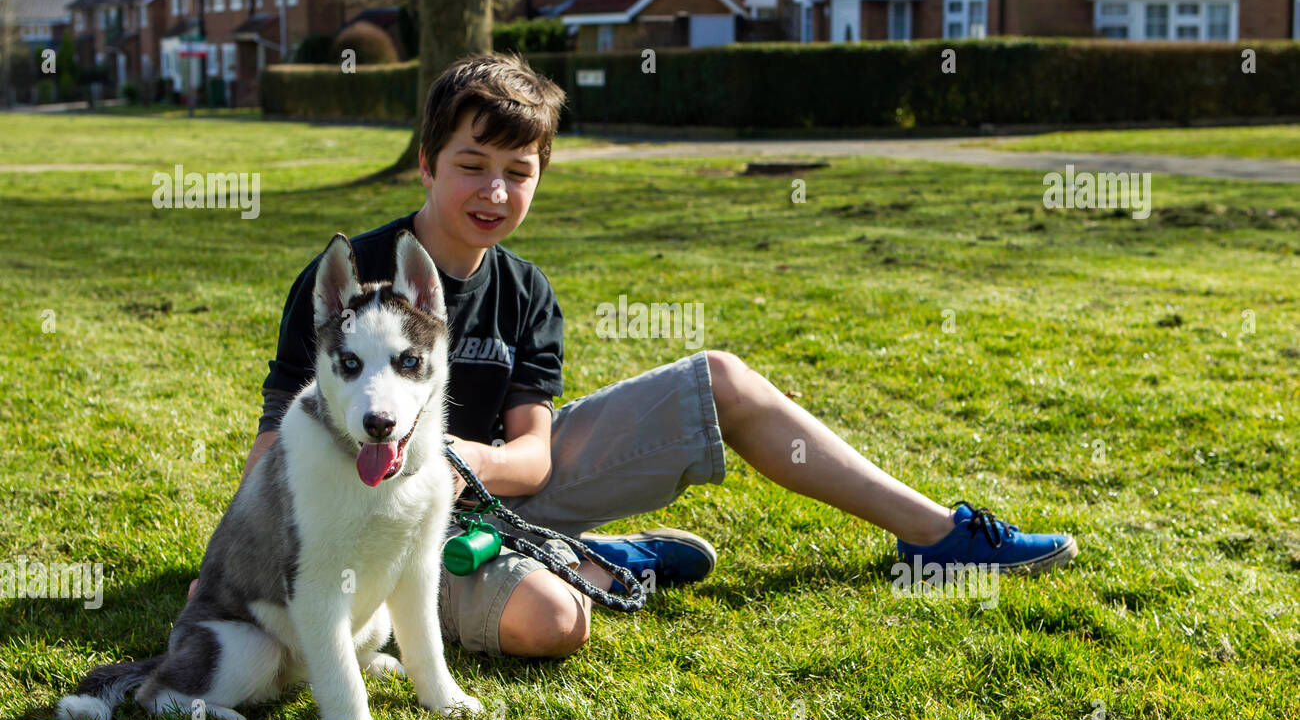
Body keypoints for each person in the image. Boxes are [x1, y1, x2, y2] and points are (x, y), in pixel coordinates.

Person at [202, 52, 1077, 659]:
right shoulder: (349, 287)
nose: (496, 192)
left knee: (722, 378)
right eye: (473, 165)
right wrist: (393, 468)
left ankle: (938, 535)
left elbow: (536, 452)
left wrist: (464, 460)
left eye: (520, 169)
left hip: (499, 485)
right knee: (554, 624)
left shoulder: (527, 289)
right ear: (426, 165)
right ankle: (592, 561)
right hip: (386, 533)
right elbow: (269, 462)